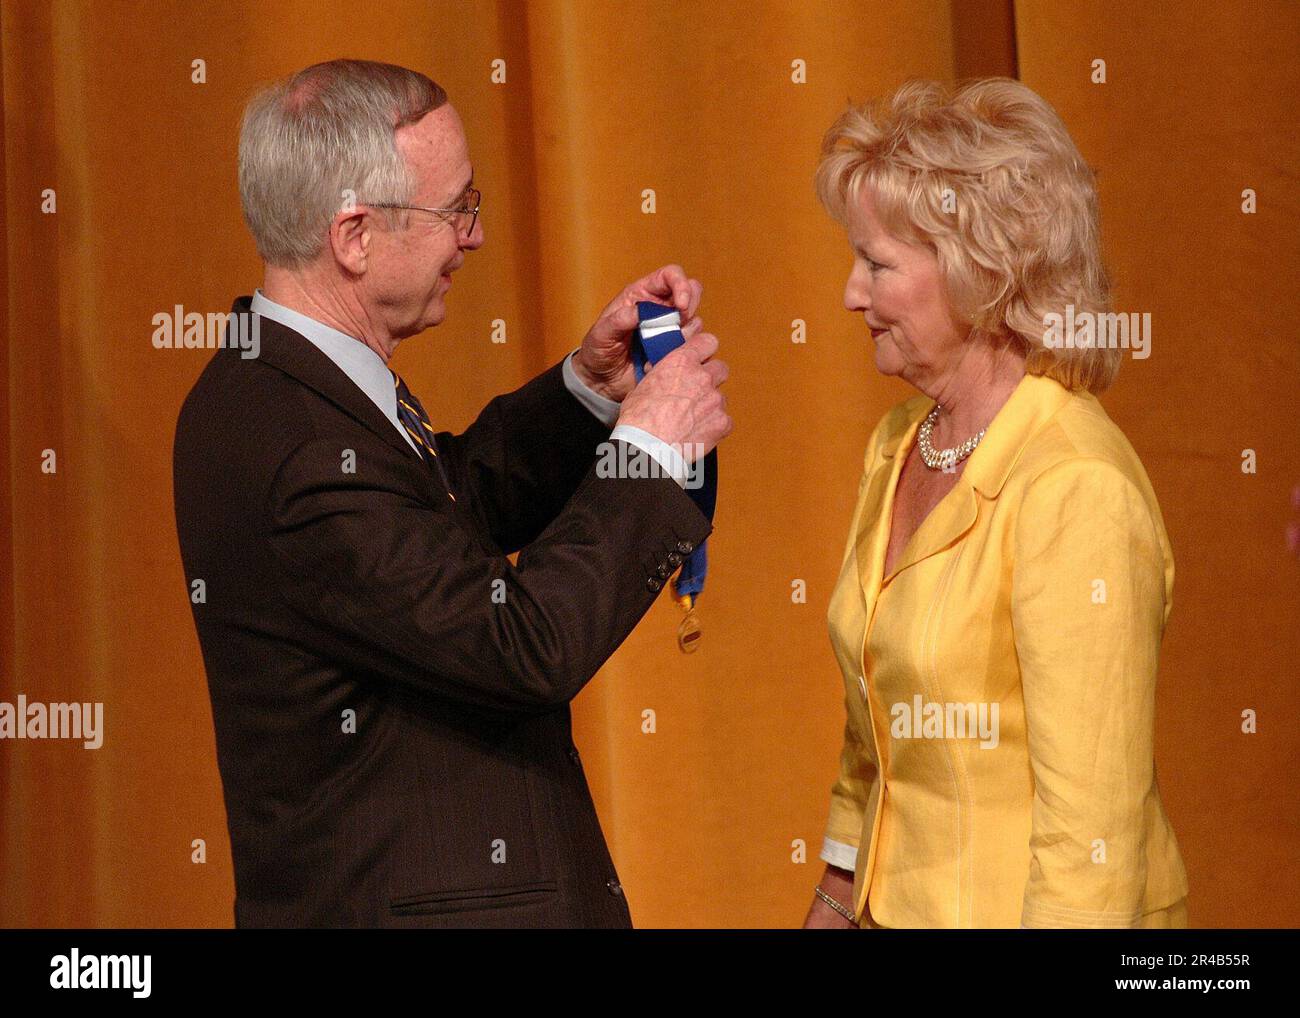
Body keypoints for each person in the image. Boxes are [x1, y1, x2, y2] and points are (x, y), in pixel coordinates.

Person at [173, 59, 730, 928]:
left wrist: (587, 387)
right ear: (355, 235)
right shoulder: (294, 444)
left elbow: (441, 523)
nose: (473, 237)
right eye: (456, 209)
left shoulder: (285, 384)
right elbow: (516, 641)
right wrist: (647, 456)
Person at [802, 78, 1188, 929]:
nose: (850, 295)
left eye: (877, 263)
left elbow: (1092, 842)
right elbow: (873, 748)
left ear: (979, 271)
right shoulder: (898, 443)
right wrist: (835, 898)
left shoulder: (1074, 486)